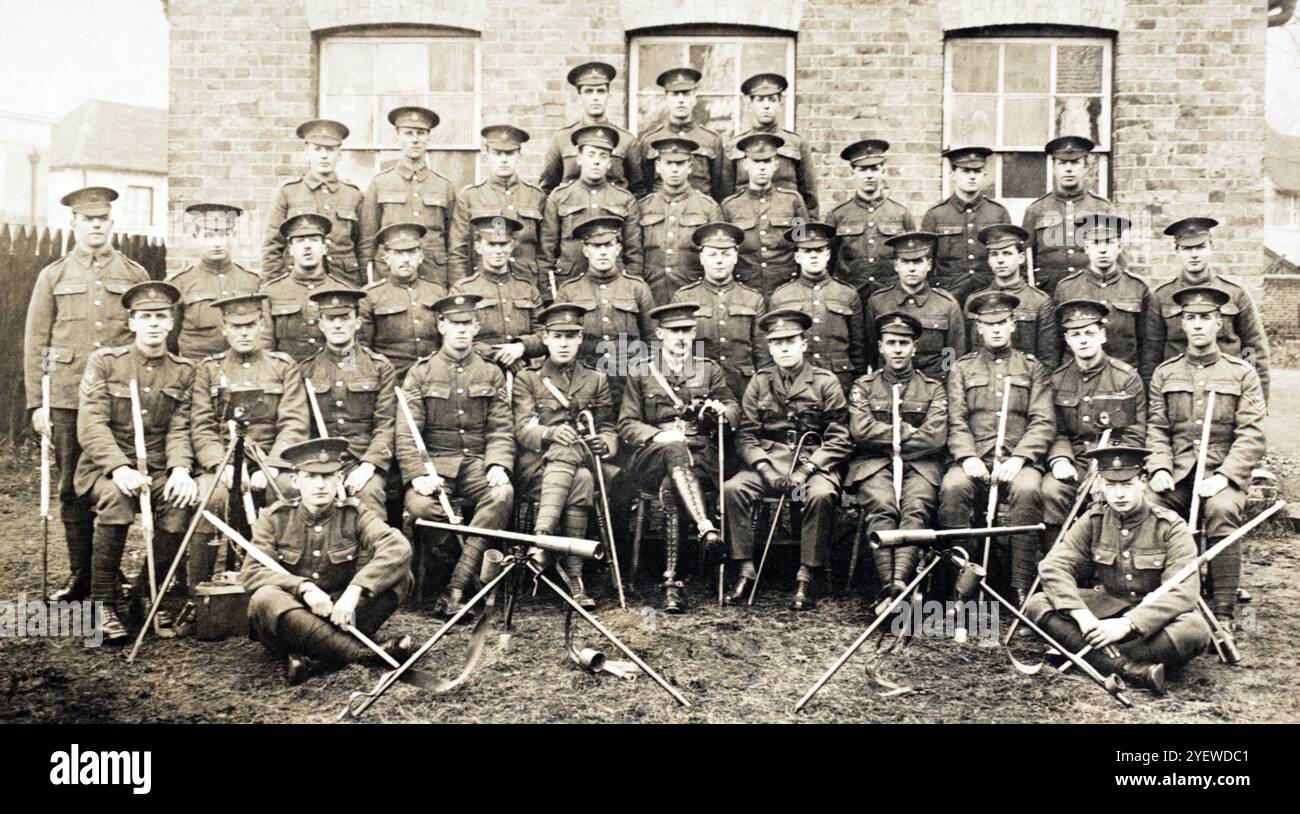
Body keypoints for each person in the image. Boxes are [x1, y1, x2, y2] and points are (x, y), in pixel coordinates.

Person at [25, 186, 151, 602]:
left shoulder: (133, 274)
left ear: (112, 223)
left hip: (116, 399)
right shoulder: (54, 275)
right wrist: (37, 402)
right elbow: (35, 340)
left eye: (102, 219)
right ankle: (81, 575)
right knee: (69, 489)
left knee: (120, 482)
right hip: (65, 397)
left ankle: (111, 576)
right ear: (74, 224)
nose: (95, 226)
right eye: (87, 220)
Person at [1024, 446, 1212, 696]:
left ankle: (1082, 652)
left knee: (1195, 630)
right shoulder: (1095, 520)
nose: (1119, 494)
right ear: (1101, 484)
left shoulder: (1171, 526)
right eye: (1111, 485)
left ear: (1143, 482)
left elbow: (1184, 592)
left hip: (1151, 622)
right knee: (1038, 603)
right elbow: (1053, 566)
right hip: (1106, 609)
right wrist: (1082, 616)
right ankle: (1128, 668)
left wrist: (1128, 624)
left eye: (1127, 484)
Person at [75, 282, 198, 642]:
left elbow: (180, 427)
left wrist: (179, 469)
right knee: (116, 497)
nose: (154, 324)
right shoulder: (105, 362)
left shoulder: (183, 371)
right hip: (106, 468)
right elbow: (92, 423)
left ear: (172, 323)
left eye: (161, 316)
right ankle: (102, 607)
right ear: (132, 323)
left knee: (179, 501)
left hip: (158, 467)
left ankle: (146, 595)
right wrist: (119, 467)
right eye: (146, 317)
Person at [240, 437, 414, 686]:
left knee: (401, 576)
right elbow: (252, 573)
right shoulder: (274, 518)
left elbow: (397, 546)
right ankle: (366, 655)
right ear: (296, 481)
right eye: (311, 476)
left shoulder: (355, 513)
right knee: (264, 598)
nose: (320, 485)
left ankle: (315, 658)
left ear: (339, 479)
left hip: (342, 615)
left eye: (328, 476)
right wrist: (304, 588)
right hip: (294, 618)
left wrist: (355, 590)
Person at [1145, 286, 1267, 629]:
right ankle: (1162, 595)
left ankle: (1225, 609)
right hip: (1179, 473)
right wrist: (1159, 467)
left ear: (1219, 324)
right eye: (1191, 319)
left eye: (1206, 319)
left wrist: (1225, 476)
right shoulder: (1164, 373)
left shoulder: (1242, 373)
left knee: (1222, 510)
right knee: (1151, 504)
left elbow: (1252, 434)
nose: (1198, 325)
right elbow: (1157, 428)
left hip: (1221, 472)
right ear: (1182, 325)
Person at [723, 308, 852, 610]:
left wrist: (806, 471)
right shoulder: (759, 381)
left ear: (804, 344)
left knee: (820, 495)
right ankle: (744, 569)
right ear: (769, 347)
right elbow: (747, 435)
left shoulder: (825, 381)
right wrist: (765, 469)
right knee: (733, 489)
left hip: (811, 465)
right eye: (777, 342)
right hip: (770, 466)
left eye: (790, 341)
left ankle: (807, 573)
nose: (784, 347)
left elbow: (839, 437)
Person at [396, 294, 515, 618]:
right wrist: (418, 474)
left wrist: (498, 465)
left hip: (477, 463)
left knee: (502, 494)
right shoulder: (420, 374)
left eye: (467, 324)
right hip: (435, 464)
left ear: (476, 327)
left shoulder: (491, 374)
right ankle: (456, 578)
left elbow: (501, 429)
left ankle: (456, 586)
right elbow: (407, 431)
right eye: (454, 324)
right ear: (441, 326)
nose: (461, 330)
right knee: (421, 507)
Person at [617, 303, 739, 613]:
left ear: (694, 332)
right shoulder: (642, 369)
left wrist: (720, 414)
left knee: (673, 487)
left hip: (699, 456)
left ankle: (672, 582)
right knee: (672, 451)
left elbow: (731, 408)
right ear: (659, 334)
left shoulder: (709, 369)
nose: (681, 337)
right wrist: (658, 436)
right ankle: (705, 527)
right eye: (674, 332)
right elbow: (626, 422)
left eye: (687, 330)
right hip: (653, 455)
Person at [939, 291, 1055, 606]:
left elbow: (1043, 421)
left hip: (1018, 460)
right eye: (989, 324)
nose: (996, 330)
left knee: (1029, 490)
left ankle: (1020, 584)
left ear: (1013, 324)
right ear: (978, 328)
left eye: (1002, 322)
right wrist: (966, 457)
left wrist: (1019, 458)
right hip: (974, 458)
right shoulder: (962, 369)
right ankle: (960, 583)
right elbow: (956, 419)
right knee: (953, 487)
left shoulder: (1033, 369)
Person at [188, 294, 309, 590]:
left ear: (262, 325)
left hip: (270, 461)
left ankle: (288, 581)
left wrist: (269, 468)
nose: (243, 332)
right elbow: (202, 426)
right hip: (224, 462)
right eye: (235, 326)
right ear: (224, 329)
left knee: (289, 491)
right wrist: (221, 466)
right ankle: (199, 592)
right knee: (211, 497)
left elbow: (293, 423)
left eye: (250, 325)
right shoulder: (208, 369)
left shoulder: (283, 366)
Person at [512, 303, 619, 609]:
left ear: (580, 339)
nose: (563, 343)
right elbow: (522, 428)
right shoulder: (528, 378)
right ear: (544, 338)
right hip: (536, 467)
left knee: (579, 465)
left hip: (581, 457)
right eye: (557, 336)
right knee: (581, 477)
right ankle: (574, 576)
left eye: (570, 337)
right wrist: (548, 433)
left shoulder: (595, 379)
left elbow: (608, 425)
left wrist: (605, 443)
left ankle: (542, 544)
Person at [845, 312, 948, 600]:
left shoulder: (933, 388)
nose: (898, 349)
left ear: (915, 347)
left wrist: (891, 434)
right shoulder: (864, 386)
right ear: (880, 347)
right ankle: (887, 582)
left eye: (904, 343)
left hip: (920, 465)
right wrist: (906, 431)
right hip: (874, 464)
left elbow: (936, 436)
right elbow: (861, 431)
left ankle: (899, 582)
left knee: (916, 507)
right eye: (891, 343)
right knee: (882, 505)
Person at [1042, 299, 1147, 546]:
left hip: (1116, 462)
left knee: (1113, 497)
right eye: (1076, 334)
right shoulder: (1058, 379)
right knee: (1050, 490)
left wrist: (1108, 469)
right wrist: (1060, 460)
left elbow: (1134, 433)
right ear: (1067, 339)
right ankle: (1058, 568)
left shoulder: (1125, 378)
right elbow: (1056, 430)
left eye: (1090, 332)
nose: (1083, 340)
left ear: (1102, 335)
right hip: (1076, 462)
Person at [291, 286, 395, 518]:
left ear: (357, 322)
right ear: (321, 324)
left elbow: (386, 423)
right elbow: (299, 425)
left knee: (368, 497)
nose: (337, 325)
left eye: (345, 318)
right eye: (330, 319)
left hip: (362, 458)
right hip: (319, 459)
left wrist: (369, 465)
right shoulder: (306, 369)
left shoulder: (378, 367)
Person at [1151, 217, 1271, 403]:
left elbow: (1252, 349)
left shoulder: (1235, 294)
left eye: (1200, 247)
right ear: (1177, 251)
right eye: (1187, 249)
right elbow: (1152, 355)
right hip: (1178, 390)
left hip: (1227, 389)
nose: (1194, 255)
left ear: (1211, 247)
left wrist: (1255, 400)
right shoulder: (1161, 297)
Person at [554, 214, 656, 408]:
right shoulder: (569, 291)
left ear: (618, 249)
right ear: (585, 250)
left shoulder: (637, 289)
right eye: (595, 246)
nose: (602, 252)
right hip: (586, 386)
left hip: (630, 385)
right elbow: (560, 343)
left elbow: (653, 341)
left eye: (608, 245)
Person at [1054, 213, 1162, 385]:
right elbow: (1057, 343)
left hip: (1124, 381)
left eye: (1109, 243)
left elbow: (1149, 345)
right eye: (1096, 243)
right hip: (1077, 381)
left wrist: (1145, 384)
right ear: (1087, 248)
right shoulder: (1067, 288)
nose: (1103, 250)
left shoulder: (1137, 287)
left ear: (1119, 247)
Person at [540, 124, 643, 297]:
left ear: (609, 163)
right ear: (579, 159)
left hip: (614, 286)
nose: (596, 161)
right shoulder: (560, 197)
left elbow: (634, 253)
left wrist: (631, 288)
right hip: (569, 282)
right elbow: (546, 251)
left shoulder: (624, 199)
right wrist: (547, 294)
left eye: (603, 156)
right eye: (591, 155)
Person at [359, 106, 455, 287]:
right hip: (389, 275)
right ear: (397, 137)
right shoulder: (380, 183)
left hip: (433, 272)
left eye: (421, 133)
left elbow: (453, 241)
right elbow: (367, 239)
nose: (415, 139)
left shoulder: (444, 186)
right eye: (408, 133)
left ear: (429, 137)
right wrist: (367, 281)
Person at [672, 222, 768, 404]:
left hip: (743, 385)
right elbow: (675, 350)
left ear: (735, 257)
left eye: (725, 254)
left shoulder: (753, 299)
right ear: (701, 258)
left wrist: (761, 391)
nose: (718, 260)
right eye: (712, 254)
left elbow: (763, 353)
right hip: (698, 385)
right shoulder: (684, 298)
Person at [769, 221, 868, 394]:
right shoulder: (781, 296)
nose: (814, 256)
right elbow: (773, 345)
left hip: (838, 380)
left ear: (828, 255)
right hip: (796, 382)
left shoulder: (847, 294)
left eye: (819, 250)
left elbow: (858, 349)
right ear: (797, 257)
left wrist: (856, 385)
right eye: (807, 251)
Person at [261, 119, 363, 284]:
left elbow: (362, 245)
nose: (324, 155)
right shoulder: (289, 191)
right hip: (298, 280)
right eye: (317, 149)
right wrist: (273, 286)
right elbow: (272, 244)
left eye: (330, 150)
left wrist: (363, 287)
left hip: (345, 280)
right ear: (306, 152)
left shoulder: (353, 194)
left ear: (339, 154)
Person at [449, 215, 546, 379]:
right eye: (491, 244)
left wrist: (521, 347)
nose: (498, 251)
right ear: (479, 247)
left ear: (512, 246)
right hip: (479, 375)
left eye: (503, 244)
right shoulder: (463, 289)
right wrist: (499, 354)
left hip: (525, 375)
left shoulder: (527, 289)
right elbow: (454, 336)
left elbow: (545, 334)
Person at [448, 125, 545, 285]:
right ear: (487, 155)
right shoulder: (470, 196)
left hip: (526, 286)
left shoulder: (536, 196)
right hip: (483, 286)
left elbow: (544, 252)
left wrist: (542, 292)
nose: (504, 159)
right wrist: (463, 292)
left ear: (519, 155)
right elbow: (458, 251)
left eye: (510, 153)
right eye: (497, 153)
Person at [825, 139, 916, 307]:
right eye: (863, 169)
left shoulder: (901, 214)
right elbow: (828, 262)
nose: (869, 175)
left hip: (891, 298)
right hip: (849, 298)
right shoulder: (837, 215)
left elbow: (912, 258)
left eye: (874, 169)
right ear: (853, 172)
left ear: (883, 171)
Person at [864, 231, 965, 380]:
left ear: (929, 265)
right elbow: (872, 353)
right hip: (889, 387)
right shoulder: (878, 302)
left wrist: (944, 384)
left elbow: (952, 354)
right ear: (896, 265)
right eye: (905, 261)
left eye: (918, 261)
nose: (911, 268)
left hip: (934, 388)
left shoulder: (946, 304)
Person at [260, 212, 360, 363]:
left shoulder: (342, 290)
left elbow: (352, 345)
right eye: (300, 241)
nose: (307, 246)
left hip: (331, 378)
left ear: (324, 248)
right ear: (291, 249)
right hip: (289, 377)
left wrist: (348, 375)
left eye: (313, 240)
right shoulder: (272, 292)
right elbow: (265, 346)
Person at [721, 132, 810, 297]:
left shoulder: (793, 202)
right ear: (745, 164)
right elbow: (725, 251)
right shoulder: (730, 206)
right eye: (756, 161)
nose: (762, 167)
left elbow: (802, 244)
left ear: (776, 164)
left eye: (767, 161)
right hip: (745, 289)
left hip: (786, 288)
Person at [1021, 136, 1112, 297]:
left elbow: (1117, 259)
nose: (1068, 169)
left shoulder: (1103, 208)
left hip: (1092, 294)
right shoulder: (1035, 210)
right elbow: (1024, 263)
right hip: (1049, 295)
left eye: (1075, 162)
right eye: (1062, 163)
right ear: (1054, 168)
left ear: (1086, 168)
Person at [168, 203, 261, 359]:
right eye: (208, 236)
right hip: (196, 371)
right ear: (196, 237)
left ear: (234, 235)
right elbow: (169, 341)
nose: (217, 243)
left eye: (224, 235)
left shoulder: (252, 282)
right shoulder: (179, 283)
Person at [357, 222, 447, 383]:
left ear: (420, 257)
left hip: (433, 377)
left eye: (411, 252)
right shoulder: (370, 295)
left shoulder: (437, 292)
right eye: (398, 253)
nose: (406, 259)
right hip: (391, 379)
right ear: (386, 258)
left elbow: (447, 342)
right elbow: (360, 346)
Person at [920, 146, 1011, 306]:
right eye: (965, 171)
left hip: (989, 294)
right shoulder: (936, 215)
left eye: (976, 171)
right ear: (953, 174)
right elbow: (925, 262)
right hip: (948, 296)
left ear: (984, 174)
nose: (972, 177)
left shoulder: (998, 213)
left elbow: (1010, 259)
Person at [638, 135, 723, 304]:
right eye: (668, 163)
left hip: (694, 296)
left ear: (690, 167)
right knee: (627, 331)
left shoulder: (708, 207)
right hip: (652, 293)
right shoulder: (643, 207)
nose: (674, 169)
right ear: (658, 166)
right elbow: (633, 253)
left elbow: (717, 254)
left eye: (680, 163)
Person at [540, 62, 643, 196]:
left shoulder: (626, 140)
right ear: (580, 98)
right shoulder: (562, 138)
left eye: (600, 91)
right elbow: (547, 188)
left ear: (608, 96)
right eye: (588, 92)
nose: (595, 97)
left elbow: (638, 190)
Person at [723, 73, 818, 216]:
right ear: (750, 104)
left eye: (772, 100)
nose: (766, 106)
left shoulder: (796, 143)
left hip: (786, 224)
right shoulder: (734, 145)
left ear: (780, 105)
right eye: (760, 100)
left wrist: (807, 233)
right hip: (745, 224)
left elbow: (809, 196)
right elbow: (725, 195)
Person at [966, 224, 1058, 367]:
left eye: (1007, 253)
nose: (1000, 260)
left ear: (1021, 258)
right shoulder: (974, 300)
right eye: (994, 254)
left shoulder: (1040, 301)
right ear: (988, 260)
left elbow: (1048, 359)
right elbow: (964, 353)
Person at [639, 68, 726, 201]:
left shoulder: (711, 140)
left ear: (694, 99)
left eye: (686, 94)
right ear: (666, 99)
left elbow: (720, 189)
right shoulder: (650, 141)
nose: (681, 100)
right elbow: (645, 188)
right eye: (675, 94)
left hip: (700, 215)